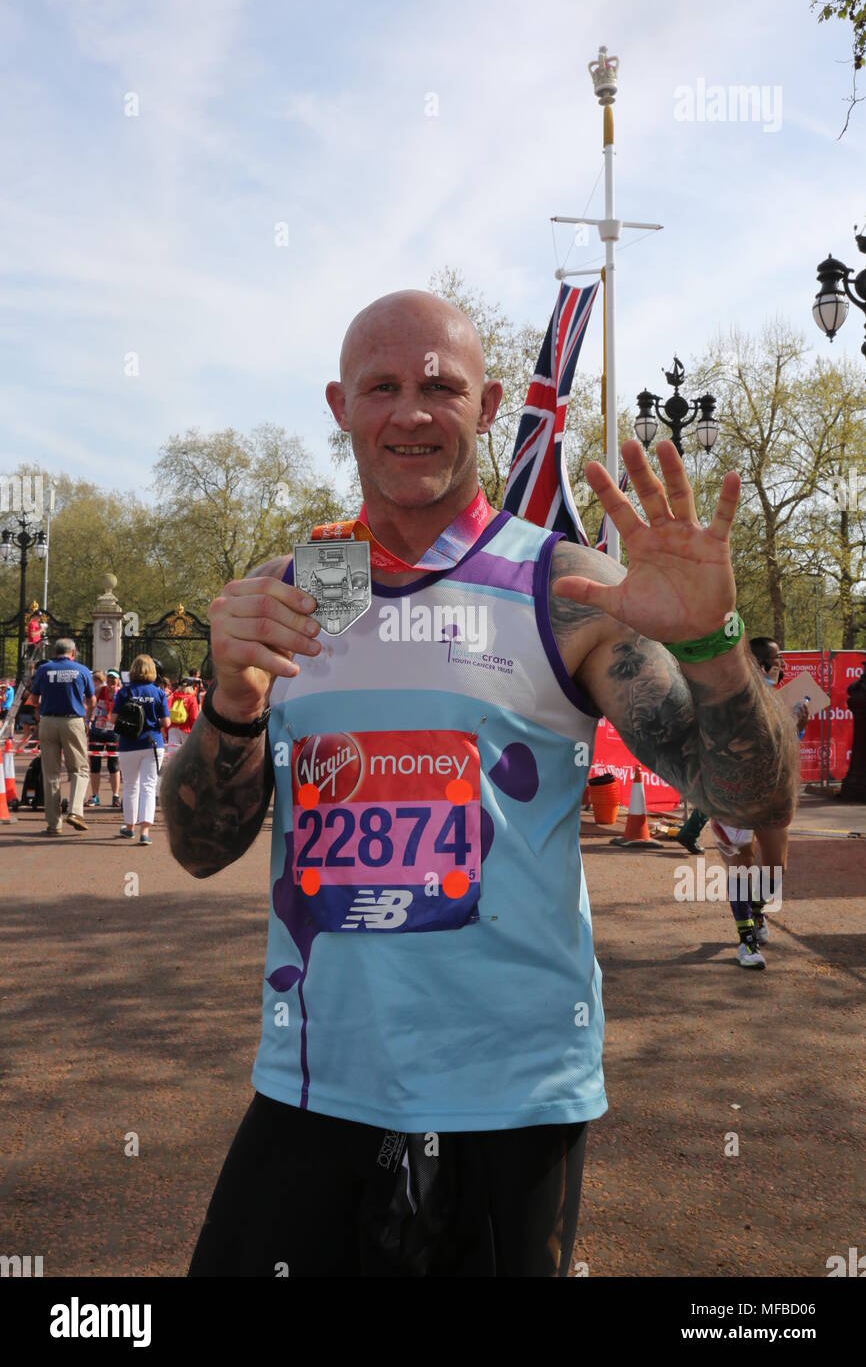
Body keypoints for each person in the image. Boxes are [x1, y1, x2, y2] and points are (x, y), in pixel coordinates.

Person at [161, 290, 799, 1278]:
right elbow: (201, 849)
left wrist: (713, 646)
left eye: (439, 386)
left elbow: (746, 799)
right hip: (312, 1086)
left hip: (506, 1102)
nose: (410, 412)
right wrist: (231, 700)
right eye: (382, 387)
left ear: (487, 403)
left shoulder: (565, 588)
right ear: (339, 405)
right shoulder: (288, 592)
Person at [710, 636, 809, 970]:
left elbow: (785, 752)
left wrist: (799, 729)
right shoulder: (727, 700)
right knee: (740, 867)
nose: (781, 667)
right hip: (733, 797)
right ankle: (746, 941)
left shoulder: (782, 702)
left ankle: (756, 911)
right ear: (758, 665)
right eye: (776, 660)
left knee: (776, 870)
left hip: (772, 797)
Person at [30, 637, 95, 834]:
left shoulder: (44, 669)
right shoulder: (82, 670)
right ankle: (75, 811)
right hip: (73, 720)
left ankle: (53, 823)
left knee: (51, 773)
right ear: (73, 653)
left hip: (48, 721)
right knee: (80, 769)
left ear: (55, 653)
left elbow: (34, 699)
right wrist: (88, 717)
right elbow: (92, 700)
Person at [110, 655, 170, 846]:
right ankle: (145, 831)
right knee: (148, 786)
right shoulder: (158, 692)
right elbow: (166, 722)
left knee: (130, 785)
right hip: (152, 743)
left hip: (129, 743)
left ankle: (129, 827)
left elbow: (113, 719)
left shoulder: (125, 692)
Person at [86, 670, 122, 808]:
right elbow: (91, 705)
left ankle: (115, 796)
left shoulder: (121, 693)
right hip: (98, 731)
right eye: (110, 678)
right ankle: (95, 796)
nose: (112, 681)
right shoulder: (100, 690)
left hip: (114, 732)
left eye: (114, 679)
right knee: (95, 764)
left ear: (118, 680)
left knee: (113, 765)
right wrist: (88, 720)